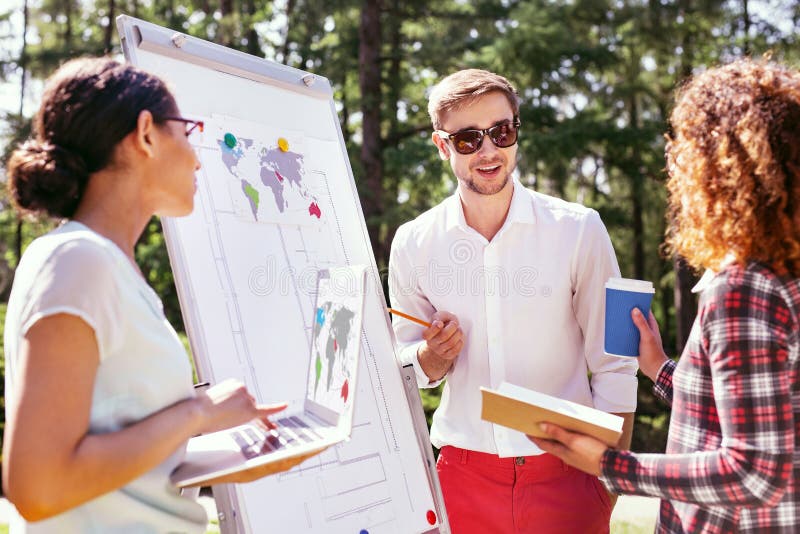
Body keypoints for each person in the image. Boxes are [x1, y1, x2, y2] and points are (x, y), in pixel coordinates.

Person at [2, 57, 295, 532]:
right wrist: (199, 412)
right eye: (187, 131)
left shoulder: (107, 267)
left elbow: (116, 461)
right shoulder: (77, 260)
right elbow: (40, 487)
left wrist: (231, 458)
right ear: (146, 134)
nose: (197, 158)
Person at [531, 58, 800, 533]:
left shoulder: (743, 287)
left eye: (684, 148)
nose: (674, 162)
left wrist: (611, 465)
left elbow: (755, 472)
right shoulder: (783, 272)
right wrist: (658, 368)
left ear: (719, 167)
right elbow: (753, 412)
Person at [388, 68, 638, 533]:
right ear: (442, 146)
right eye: (468, 139)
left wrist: (610, 477)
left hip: (570, 477)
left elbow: (617, 358)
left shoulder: (580, 228)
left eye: (501, 132)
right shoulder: (412, 242)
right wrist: (430, 356)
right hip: (461, 480)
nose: (489, 151)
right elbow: (403, 365)